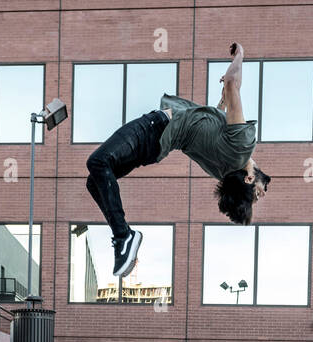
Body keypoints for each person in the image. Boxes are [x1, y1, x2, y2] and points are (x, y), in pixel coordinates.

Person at [85, 41, 271, 279]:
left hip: (154, 129)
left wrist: (240, 56)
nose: (262, 192)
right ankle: (123, 237)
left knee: (98, 162)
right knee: (94, 182)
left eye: (258, 193)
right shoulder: (223, 170)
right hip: (155, 148)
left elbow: (233, 84)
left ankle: (124, 236)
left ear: (249, 179)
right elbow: (214, 116)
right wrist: (225, 97)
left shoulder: (240, 145)